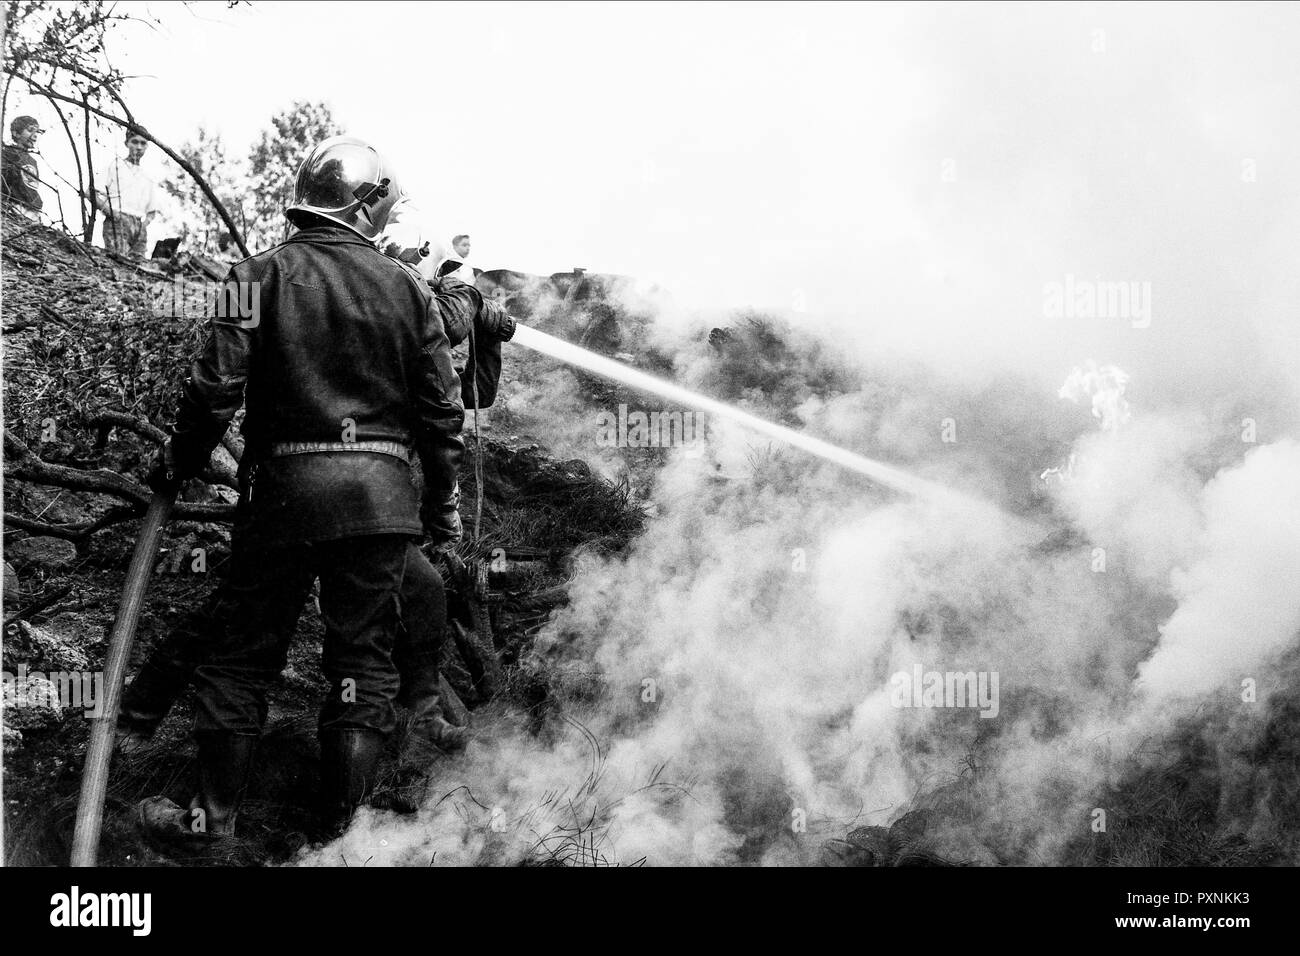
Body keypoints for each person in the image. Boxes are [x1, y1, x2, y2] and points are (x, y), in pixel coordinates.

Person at [137, 135, 474, 843]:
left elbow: (212, 391)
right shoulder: (410, 291)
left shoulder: (256, 274)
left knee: (243, 655)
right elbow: (443, 417)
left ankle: (214, 820)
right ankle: (344, 836)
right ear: (366, 202)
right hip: (380, 504)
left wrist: (181, 458)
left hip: (283, 496)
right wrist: (439, 512)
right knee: (361, 663)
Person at [95, 131, 163, 257]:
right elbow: (91, 193)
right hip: (117, 220)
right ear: (127, 143)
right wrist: (111, 213)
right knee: (120, 261)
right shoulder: (116, 165)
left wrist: (144, 225)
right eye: (135, 142)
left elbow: (152, 210)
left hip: (138, 226)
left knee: (138, 268)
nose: (139, 147)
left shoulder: (147, 176)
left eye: (143, 143)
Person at [1, 115, 44, 215]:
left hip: (31, 210)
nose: (35, 135)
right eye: (30, 130)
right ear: (16, 133)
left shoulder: (32, 160)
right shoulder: (8, 154)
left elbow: (31, 186)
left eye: (37, 132)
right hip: (14, 207)